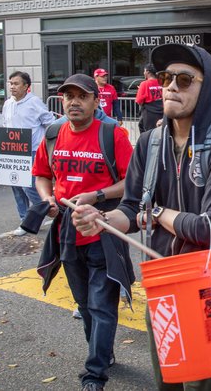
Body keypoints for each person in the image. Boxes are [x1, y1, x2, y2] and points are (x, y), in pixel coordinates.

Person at [72, 43, 211, 390]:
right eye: (167, 78)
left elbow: (209, 228)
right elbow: (131, 209)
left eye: (184, 80)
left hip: (207, 276)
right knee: (166, 376)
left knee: (201, 383)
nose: (170, 86)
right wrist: (101, 219)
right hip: (163, 275)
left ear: (206, 88)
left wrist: (158, 212)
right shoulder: (149, 142)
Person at [33, 74, 134, 391]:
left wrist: (97, 196)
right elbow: (41, 175)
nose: (73, 102)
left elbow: (131, 182)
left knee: (102, 306)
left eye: (81, 96)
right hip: (67, 233)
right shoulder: (52, 135)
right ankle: (103, 352)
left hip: (104, 230)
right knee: (84, 304)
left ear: (95, 101)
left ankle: (94, 375)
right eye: (67, 96)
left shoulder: (112, 135)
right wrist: (47, 198)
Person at [2, 71, 55, 236]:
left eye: (16, 84)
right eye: (11, 83)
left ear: (26, 86)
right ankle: (25, 219)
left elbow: (49, 122)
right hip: (12, 150)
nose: (12, 87)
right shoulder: (7, 104)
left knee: (30, 187)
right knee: (16, 186)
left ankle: (49, 211)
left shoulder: (34, 102)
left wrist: (47, 146)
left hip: (32, 150)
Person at [135, 63, 163, 133]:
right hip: (163, 112)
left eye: (144, 71)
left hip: (149, 114)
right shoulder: (162, 82)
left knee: (148, 134)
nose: (143, 73)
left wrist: (141, 89)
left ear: (147, 72)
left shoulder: (144, 84)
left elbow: (139, 101)